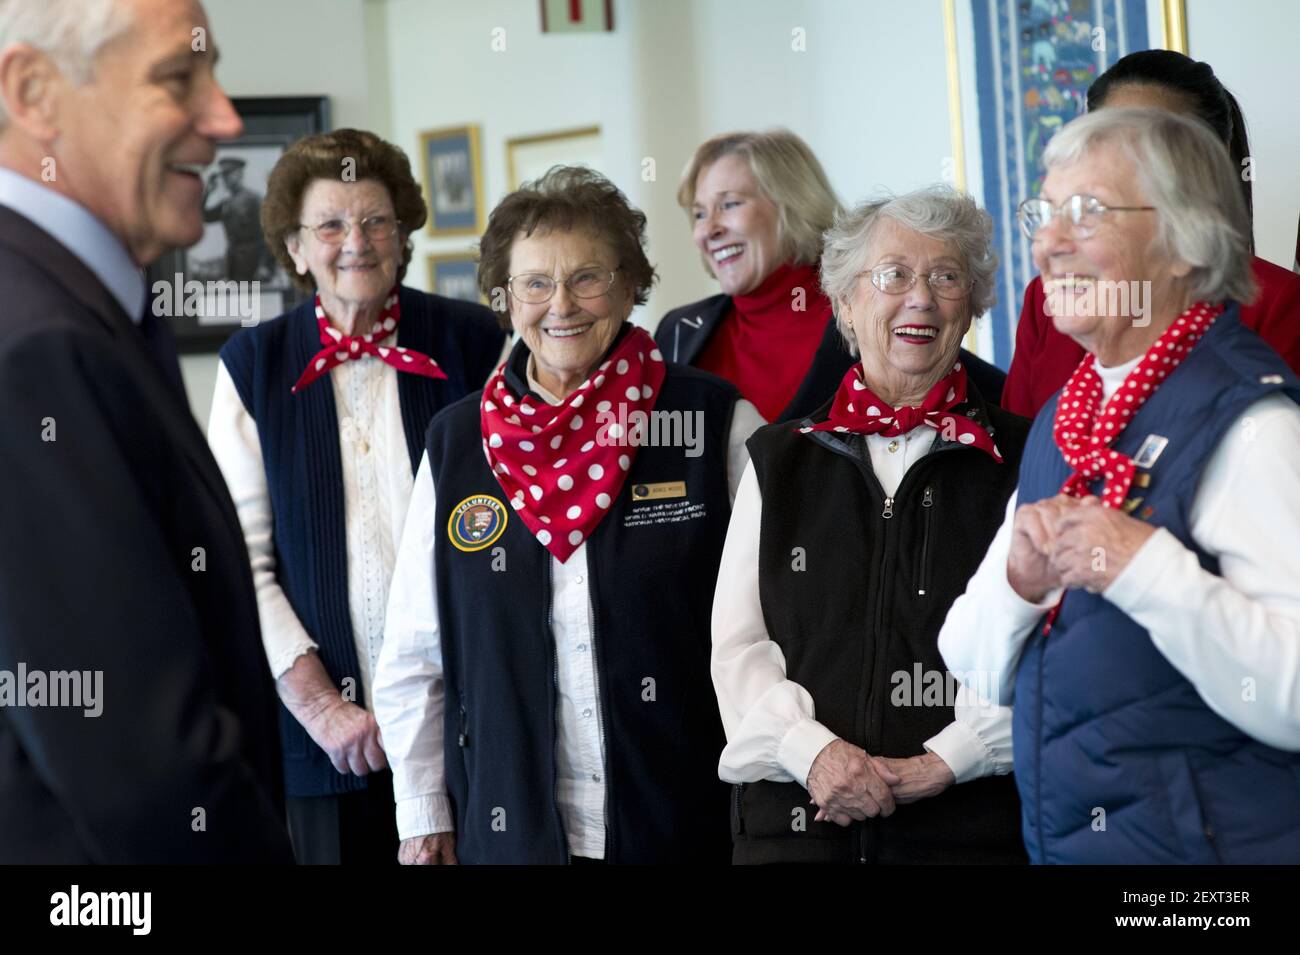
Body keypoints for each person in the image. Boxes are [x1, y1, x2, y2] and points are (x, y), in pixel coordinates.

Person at [374, 166, 765, 864]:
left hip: (686, 823)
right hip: (510, 829)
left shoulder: (712, 419)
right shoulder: (458, 443)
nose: (561, 304)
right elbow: (413, 652)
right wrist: (421, 812)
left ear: (628, 283)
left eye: (587, 277)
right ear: (505, 296)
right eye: (534, 282)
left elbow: (776, 627)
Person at [939, 109, 1300, 864]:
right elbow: (967, 660)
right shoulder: (1064, 419)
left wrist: (1144, 569)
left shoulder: (1253, 419)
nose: (1048, 242)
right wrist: (1018, 583)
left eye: (1088, 213)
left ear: (1183, 240)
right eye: (1044, 213)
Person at [0, 0, 292, 862]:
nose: (225, 117)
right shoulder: (36, 347)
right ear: (34, 92)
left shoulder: (83, 306)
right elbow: (146, 775)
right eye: (177, 78)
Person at [208, 128, 505, 864]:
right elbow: (242, 562)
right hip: (323, 748)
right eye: (331, 224)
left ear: (402, 234)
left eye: (376, 220)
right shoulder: (253, 365)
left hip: (469, 731)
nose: (357, 241)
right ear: (296, 248)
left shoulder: (473, 341)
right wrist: (322, 707)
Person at [712, 185, 1028, 865]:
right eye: (892, 275)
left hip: (969, 835)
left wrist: (946, 760)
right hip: (794, 836)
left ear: (971, 304)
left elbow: (1046, 652)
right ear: (846, 302)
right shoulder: (778, 455)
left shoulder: (1026, 458)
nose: (920, 297)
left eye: (945, 277)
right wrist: (815, 752)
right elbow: (738, 649)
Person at [1002, 49, 1300, 417]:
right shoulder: (1048, 301)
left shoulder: (1278, 302)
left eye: (1153, 147)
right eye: (1109, 142)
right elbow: (1020, 448)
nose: (1126, 164)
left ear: (1214, 158)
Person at [658, 129, 1006, 424]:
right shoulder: (680, 330)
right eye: (699, 213)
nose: (709, 229)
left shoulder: (869, 306)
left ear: (793, 204)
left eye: (729, 205)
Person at [203, 155, 274, 281]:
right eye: (224, 176)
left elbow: (268, 234)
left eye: (229, 174)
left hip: (253, 261)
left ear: (239, 174)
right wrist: (207, 192)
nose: (225, 180)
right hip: (232, 262)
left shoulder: (254, 200)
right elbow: (204, 216)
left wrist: (265, 266)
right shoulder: (226, 203)